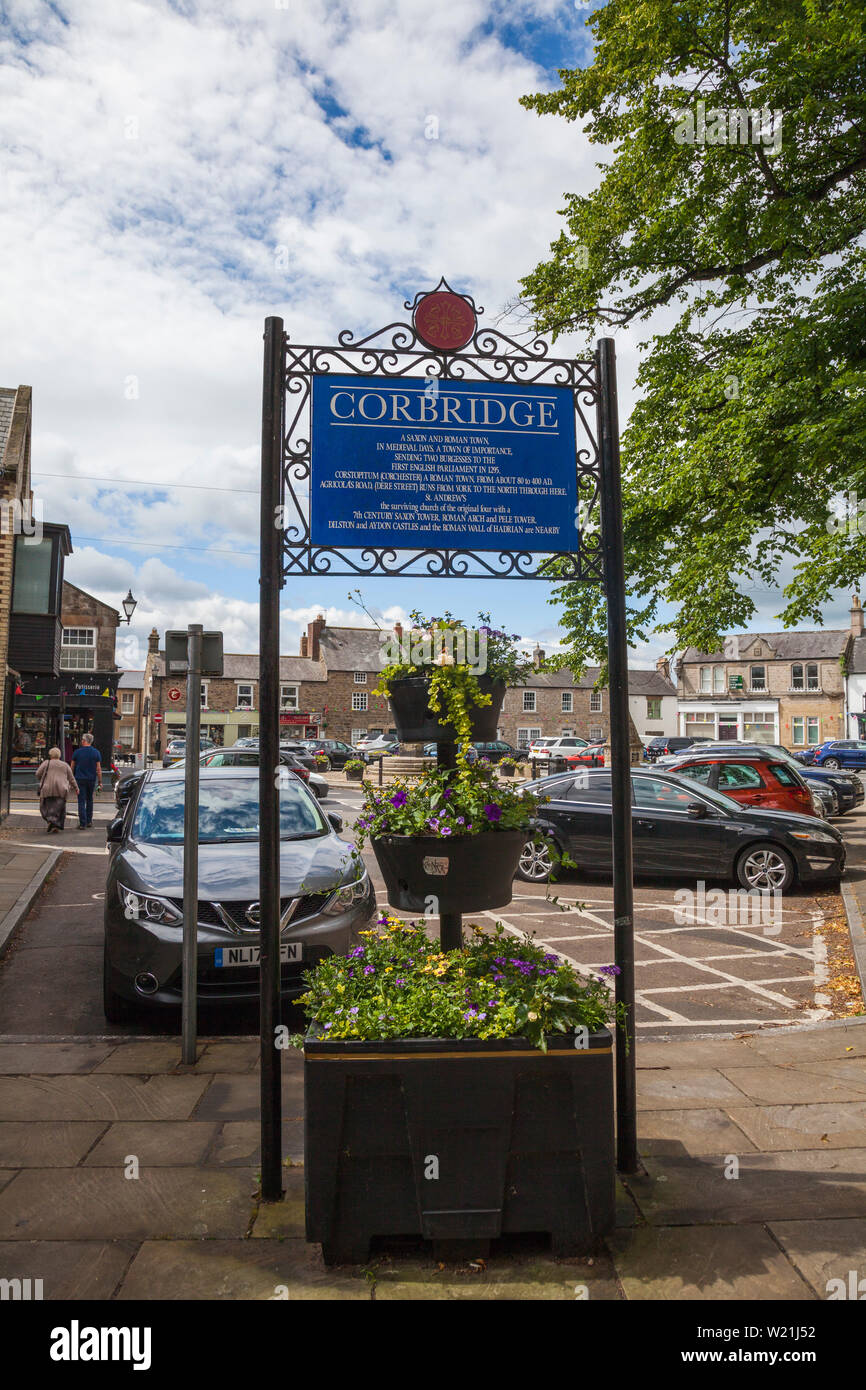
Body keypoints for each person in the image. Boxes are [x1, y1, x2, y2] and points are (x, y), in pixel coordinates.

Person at [35, 747, 78, 833]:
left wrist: (42, 779)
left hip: (47, 789)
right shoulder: (65, 765)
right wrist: (76, 787)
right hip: (61, 789)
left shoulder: (46, 763)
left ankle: (50, 821)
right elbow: (71, 778)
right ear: (59, 755)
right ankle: (56, 826)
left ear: (50, 755)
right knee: (60, 809)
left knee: (45, 807)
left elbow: (37, 774)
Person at [71, 732, 103, 829]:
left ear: (84, 741)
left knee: (81, 801)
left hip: (79, 779)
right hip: (91, 779)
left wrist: (70, 779)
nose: (81, 741)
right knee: (90, 800)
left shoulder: (77, 752)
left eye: (82, 740)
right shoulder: (96, 752)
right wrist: (100, 782)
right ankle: (89, 821)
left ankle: (82, 823)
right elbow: (98, 769)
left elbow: (71, 767)